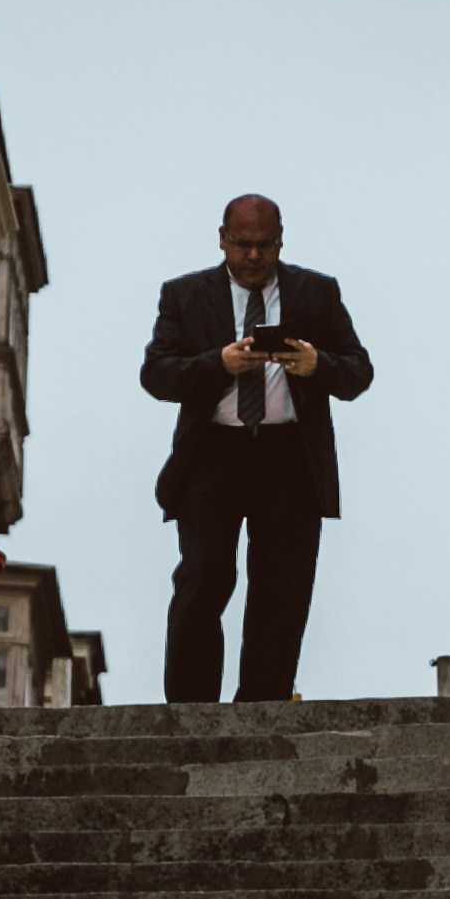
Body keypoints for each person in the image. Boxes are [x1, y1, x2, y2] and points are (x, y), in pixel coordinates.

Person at [139, 193, 375, 703]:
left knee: (282, 590)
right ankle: (190, 711)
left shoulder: (316, 292)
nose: (252, 257)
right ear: (221, 238)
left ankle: (262, 707)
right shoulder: (183, 295)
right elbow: (156, 375)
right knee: (202, 578)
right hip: (211, 457)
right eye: (242, 245)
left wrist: (318, 365)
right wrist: (218, 365)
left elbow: (359, 372)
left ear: (281, 241)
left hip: (289, 457)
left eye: (263, 246)